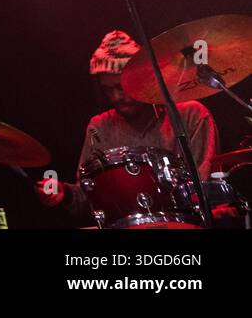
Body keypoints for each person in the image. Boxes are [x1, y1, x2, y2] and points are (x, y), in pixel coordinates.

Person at [36, 30, 218, 218]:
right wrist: (64, 194)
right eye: (108, 90)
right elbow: (89, 198)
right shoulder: (99, 127)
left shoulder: (191, 115)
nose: (116, 97)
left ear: (144, 77)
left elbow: (204, 188)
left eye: (121, 87)